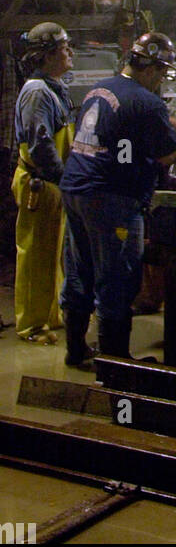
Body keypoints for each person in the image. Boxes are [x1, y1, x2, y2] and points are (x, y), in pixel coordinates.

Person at [59, 32, 176, 363]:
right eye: (162, 73)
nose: (162, 80)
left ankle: (76, 350)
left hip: (76, 188)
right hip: (112, 199)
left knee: (81, 272)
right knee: (118, 278)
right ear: (150, 69)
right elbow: (166, 154)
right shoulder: (147, 102)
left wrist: (165, 118)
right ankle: (116, 362)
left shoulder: (100, 90)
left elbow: (132, 122)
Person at [11, 23, 75, 346]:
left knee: (52, 253)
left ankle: (50, 314)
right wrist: (66, 182)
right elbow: (41, 145)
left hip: (52, 182)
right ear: (48, 56)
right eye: (65, 49)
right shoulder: (37, 91)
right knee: (35, 255)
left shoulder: (54, 86)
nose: (70, 53)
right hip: (41, 182)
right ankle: (31, 326)